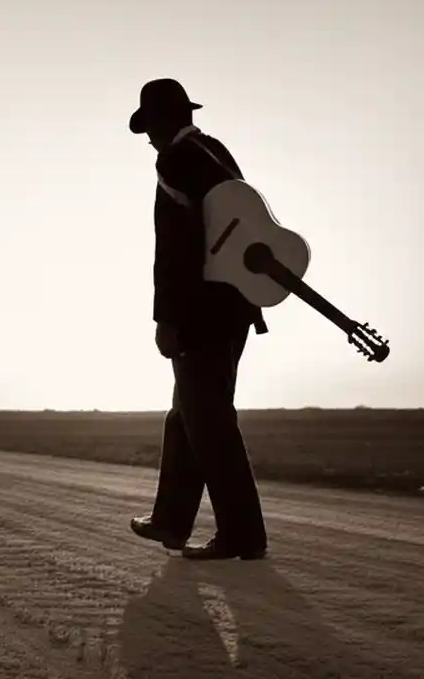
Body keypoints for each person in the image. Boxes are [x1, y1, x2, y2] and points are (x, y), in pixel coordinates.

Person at [125, 78, 270, 561]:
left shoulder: (176, 161)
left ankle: (242, 535)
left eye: (150, 126)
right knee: (187, 417)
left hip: (200, 314)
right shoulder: (216, 153)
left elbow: (176, 254)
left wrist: (165, 319)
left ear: (165, 122)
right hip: (235, 306)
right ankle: (171, 519)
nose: (148, 138)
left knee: (209, 424)